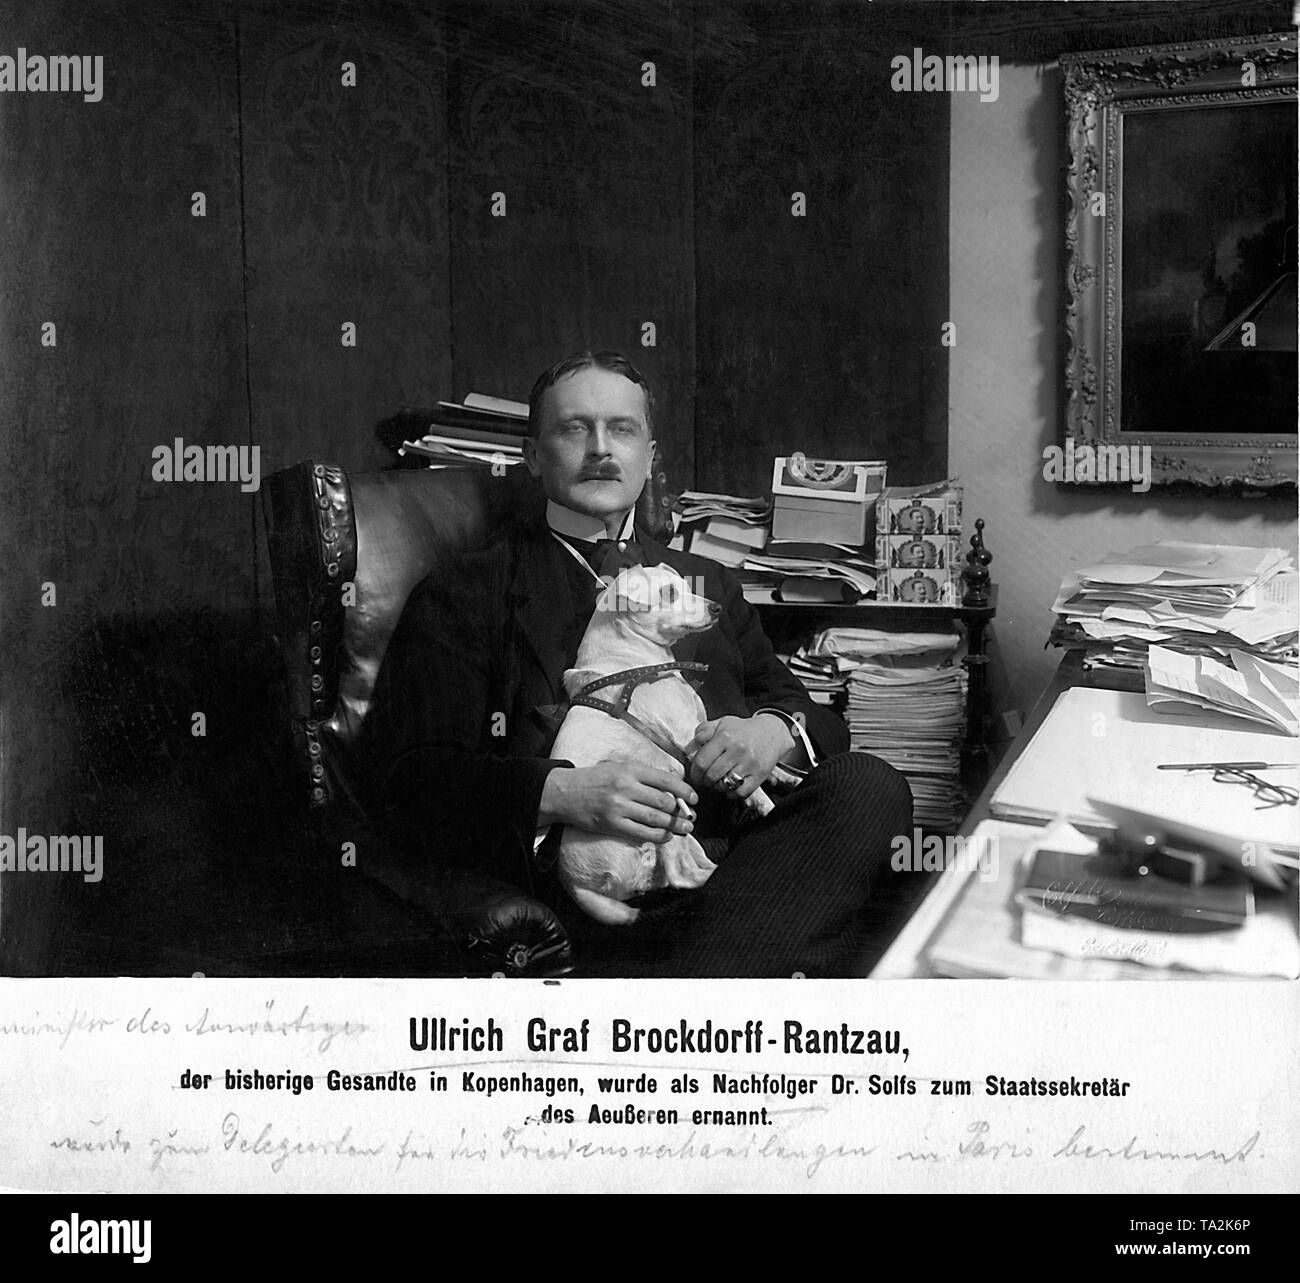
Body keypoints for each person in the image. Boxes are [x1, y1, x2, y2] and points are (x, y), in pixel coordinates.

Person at [357, 351, 912, 976]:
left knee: (870, 784)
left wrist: (772, 732)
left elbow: (819, 722)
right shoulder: (466, 592)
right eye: (574, 428)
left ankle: (709, 979)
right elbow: (407, 778)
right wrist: (563, 792)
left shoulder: (711, 586)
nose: (600, 449)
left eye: (622, 429)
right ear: (534, 457)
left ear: (649, 457)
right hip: (601, 892)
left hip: (742, 867)